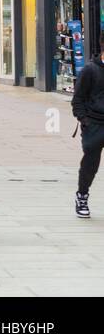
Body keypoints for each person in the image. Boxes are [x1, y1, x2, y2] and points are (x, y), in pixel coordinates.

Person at [71, 55, 104, 218]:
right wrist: (84, 120)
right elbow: (77, 99)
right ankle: (82, 196)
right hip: (94, 124)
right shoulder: (90, 70)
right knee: (91, 164)